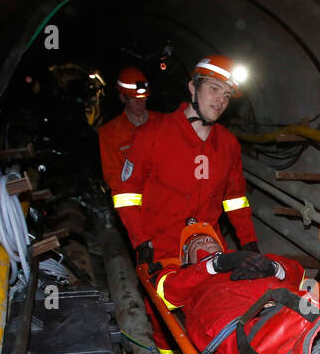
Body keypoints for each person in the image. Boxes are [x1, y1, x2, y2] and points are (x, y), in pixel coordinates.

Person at [109, 55, 258, 264]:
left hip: (209, 251)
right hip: (161, 253)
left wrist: (249, 241)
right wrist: (141, 241)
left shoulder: (228, 144)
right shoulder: (152, 135)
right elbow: (125, 193)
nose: (221, 100)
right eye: (214, 88)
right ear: (192, 87)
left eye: (227, 94)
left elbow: (235, 200)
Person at [152, 223, 304, 354]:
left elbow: (297, 274)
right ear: (186, 258)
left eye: (211, 239)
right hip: (231, 313)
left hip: (285, 304)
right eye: (197, 242)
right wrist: (215, 265)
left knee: (301, 302)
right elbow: (167, 293)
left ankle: (317, 334)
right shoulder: (180, 273)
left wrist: (272, 268)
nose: (206, 240)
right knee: (248, 334)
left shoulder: (246, 259)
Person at [97, 66, 153, 193]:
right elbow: (114, 178)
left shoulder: (163, 123)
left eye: (143, 97)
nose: (140, 103)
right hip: (136, 200)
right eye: (133, 98)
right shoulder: (109, 133)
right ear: (122, 98)